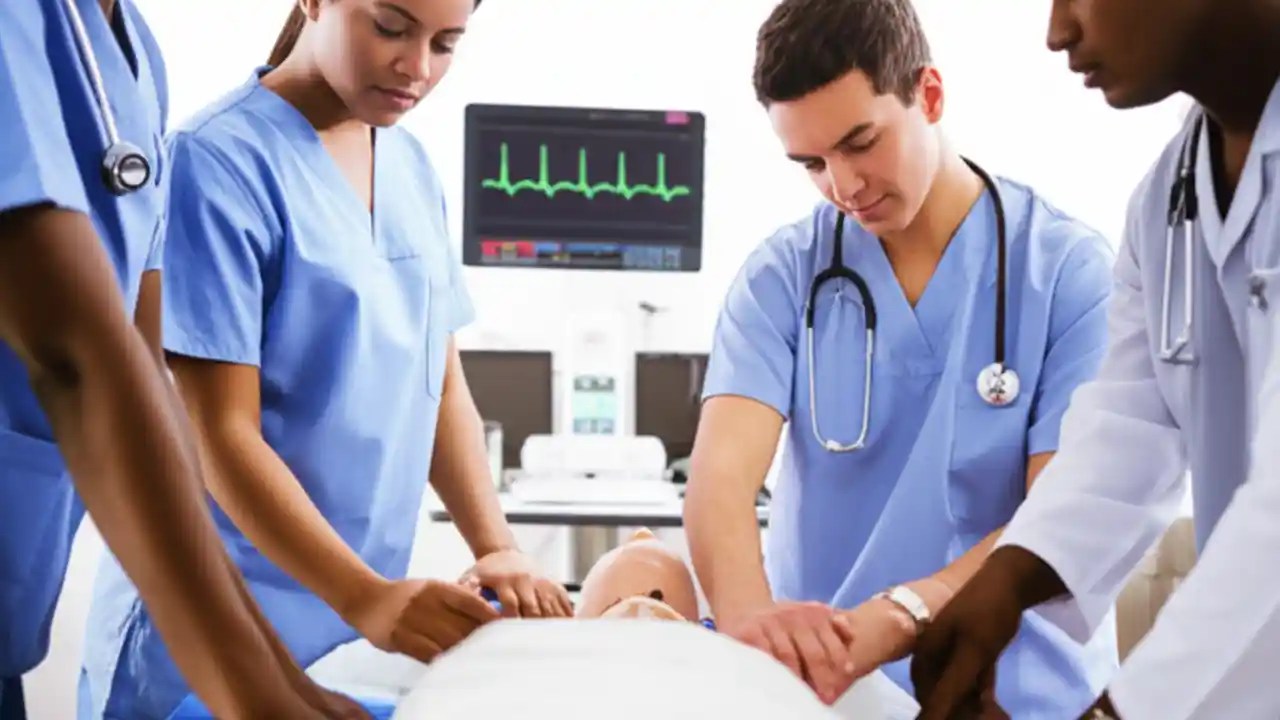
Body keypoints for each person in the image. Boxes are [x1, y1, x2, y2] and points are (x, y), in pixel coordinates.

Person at [78, 1, 570, 717]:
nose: (418, 68)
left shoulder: (407, 161)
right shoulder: (214, 162)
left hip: (334, 640)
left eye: (446, 44)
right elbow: (219, 433)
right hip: (210, 632)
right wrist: (365, 595)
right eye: (391, 28)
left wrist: (497, 547)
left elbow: (440, 382)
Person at [683, 0, 1119, 712]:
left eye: (861, 143)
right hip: (831, 689)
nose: (843, 187)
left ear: (930, 94)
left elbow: (1066, 508)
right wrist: (748, 623)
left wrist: (902, 615)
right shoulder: (782, 278)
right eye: (812, 163)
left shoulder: (1068, 274)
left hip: (1020, 691)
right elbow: (720, 483)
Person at [910, 1, 1280, 718]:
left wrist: (1119, 712)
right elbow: (1128, 424)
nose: (1059, 31)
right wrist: (1007, 580)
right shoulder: (1166, 201)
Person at [0, 2, 369, 718]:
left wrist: (282, 680)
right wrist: (254, 690)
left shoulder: (130, 49)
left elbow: (145, 361)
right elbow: (75, 347)